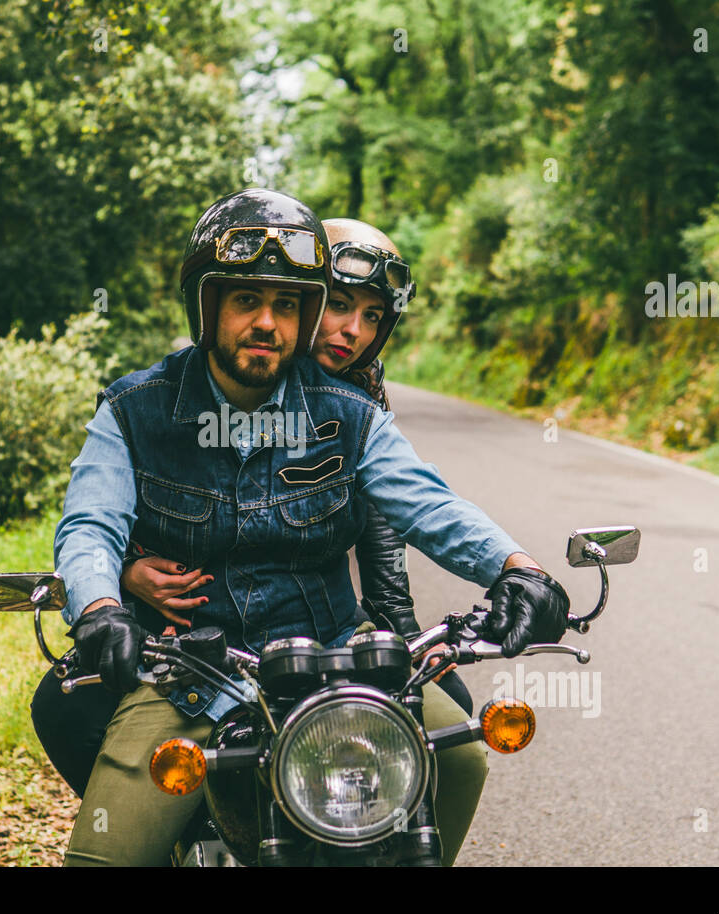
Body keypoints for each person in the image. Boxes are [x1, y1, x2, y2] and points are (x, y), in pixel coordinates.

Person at [52, 188, 571, 866]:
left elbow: (431, 505)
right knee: (104, 858)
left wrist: (517, 569)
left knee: (463, 759)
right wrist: (98, 609)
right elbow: (90, 523)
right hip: (190, 671)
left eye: (287, 305)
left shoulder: (349, 415)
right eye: (246, 300)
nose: (266, 322)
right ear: (207, 307)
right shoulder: (134, 409)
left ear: (307, 317)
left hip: (335, 658)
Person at [29, 217, 476, 798]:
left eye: (372, 316)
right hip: (185, 639)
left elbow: (407, 516)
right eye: (339, 304)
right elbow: (95, 517)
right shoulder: (159, 397)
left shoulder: (358, 403)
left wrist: (412, 638)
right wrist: (110, 586)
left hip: (316, 635)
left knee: (451, 733)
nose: (351, 332)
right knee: (68, 710)